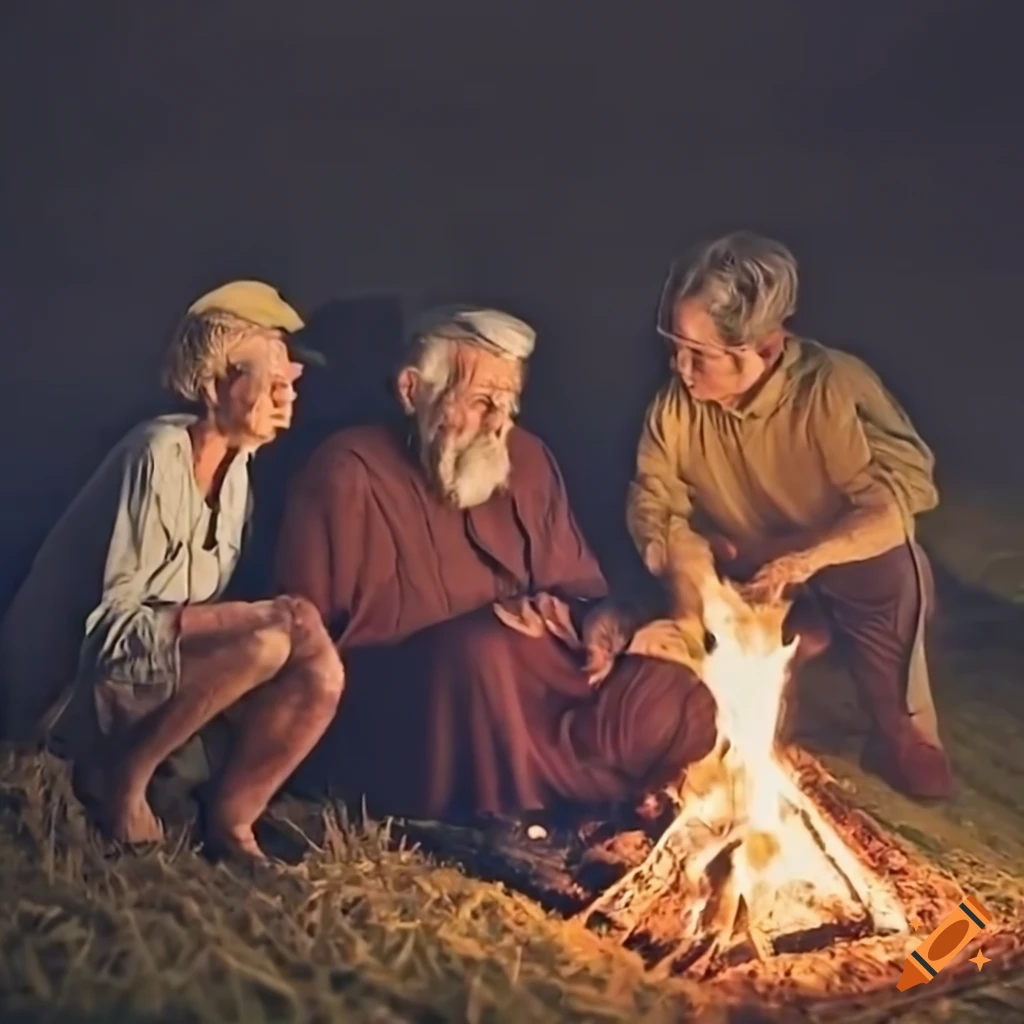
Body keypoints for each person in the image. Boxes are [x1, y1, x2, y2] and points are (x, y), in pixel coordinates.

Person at [274, 305, 717, 821]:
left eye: (508, 405)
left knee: (672, 694)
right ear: (412, 390)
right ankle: (518, 810)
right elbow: (306, 643)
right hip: (418, 703)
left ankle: (588, 794)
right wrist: (490, 628)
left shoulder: (527, 459)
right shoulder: (347, 470)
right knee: (479, 652)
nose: (498, 424)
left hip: (540, 676)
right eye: (482, 401)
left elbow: (580, 588)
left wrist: (599, 620)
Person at [0, 281, 345, 859]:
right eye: (271, 381)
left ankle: (234, 818)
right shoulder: (157, 452)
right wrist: (256, 620)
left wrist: (283, 622)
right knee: (267, 640)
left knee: (316, 664)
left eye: (289, 381)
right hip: (65, 693)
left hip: (143, 676)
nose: (287, 396)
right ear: (214, 385)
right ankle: (122, 783)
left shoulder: (238, 470)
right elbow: (110, 631)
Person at [627, 231, 952, 801]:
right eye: (675, 347)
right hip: (743, 567)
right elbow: (657, 507)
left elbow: (898, 500)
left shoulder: (833, 386)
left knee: (894, 566)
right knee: (694, 650)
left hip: (838, 553)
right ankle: (736, 736)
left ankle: (899, 732)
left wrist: (805, 559)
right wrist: (692, 588)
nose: (680, 367)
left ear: (767, 347)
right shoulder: (673, 409)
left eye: (700, 354)